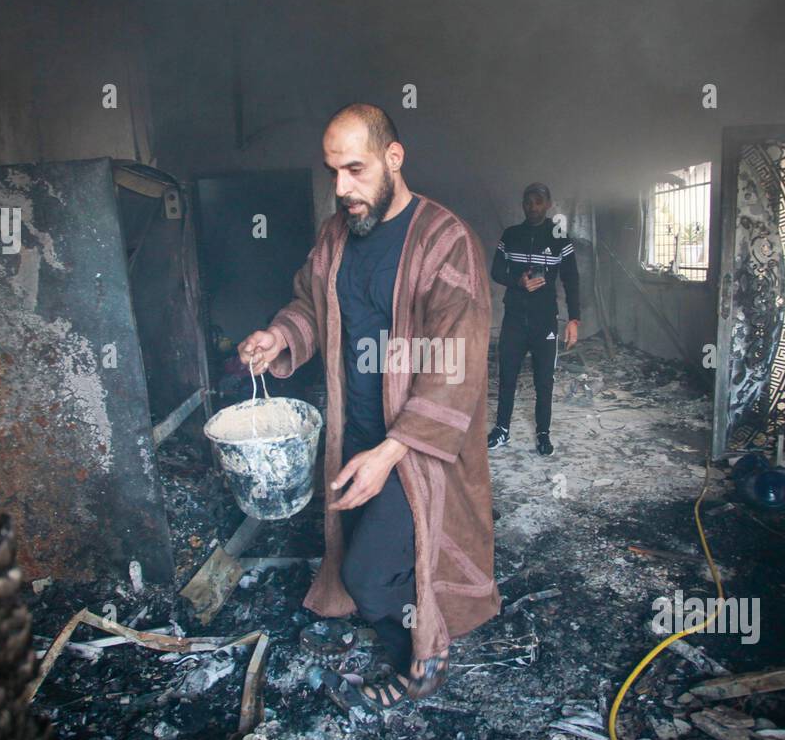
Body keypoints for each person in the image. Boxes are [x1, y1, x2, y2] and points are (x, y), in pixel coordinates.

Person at [237, 103, 498, 708]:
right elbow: (311, 303)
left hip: (415, 447)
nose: (341, 187)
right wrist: (280, 337)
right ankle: (404, 623)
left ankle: (424, 658)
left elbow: (455, 362)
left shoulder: (445, 240)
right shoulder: (337, 234)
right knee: (368, 548)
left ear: (394, 158)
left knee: (367, 574)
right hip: (353, 431)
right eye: (332, 171)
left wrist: (393, 449)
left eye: (354, 169)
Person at [487, 182, 580, 455]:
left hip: (545, 320)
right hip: (515, 318)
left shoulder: (559, 237)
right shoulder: (511, 235)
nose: (532, 207)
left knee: (544, 380)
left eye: (538, 201)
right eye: (528, 202)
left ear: (548, 204)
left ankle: (543, 433)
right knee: (507, 375)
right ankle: (502, 429)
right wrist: (518, 282)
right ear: (523, 204)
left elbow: (571, 279)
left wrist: (574, 318)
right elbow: (495, 271)